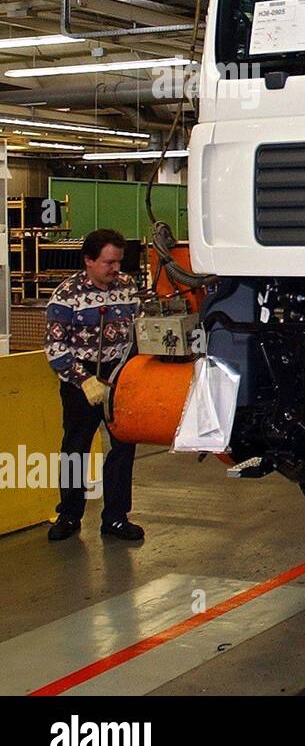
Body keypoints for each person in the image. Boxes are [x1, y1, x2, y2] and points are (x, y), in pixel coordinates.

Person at [44, 229, 144, 543]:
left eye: (119, 262)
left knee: (123, 445)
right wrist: (83, 379)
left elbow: (139, 329)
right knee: (76, 446)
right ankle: (69, 514)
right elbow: (54, 347)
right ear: (88, 260)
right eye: (108, 262)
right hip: (81, 377)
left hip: (120, 375)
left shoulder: (128, 287)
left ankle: (115, 517)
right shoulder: (66, 294)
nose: (116, 269)